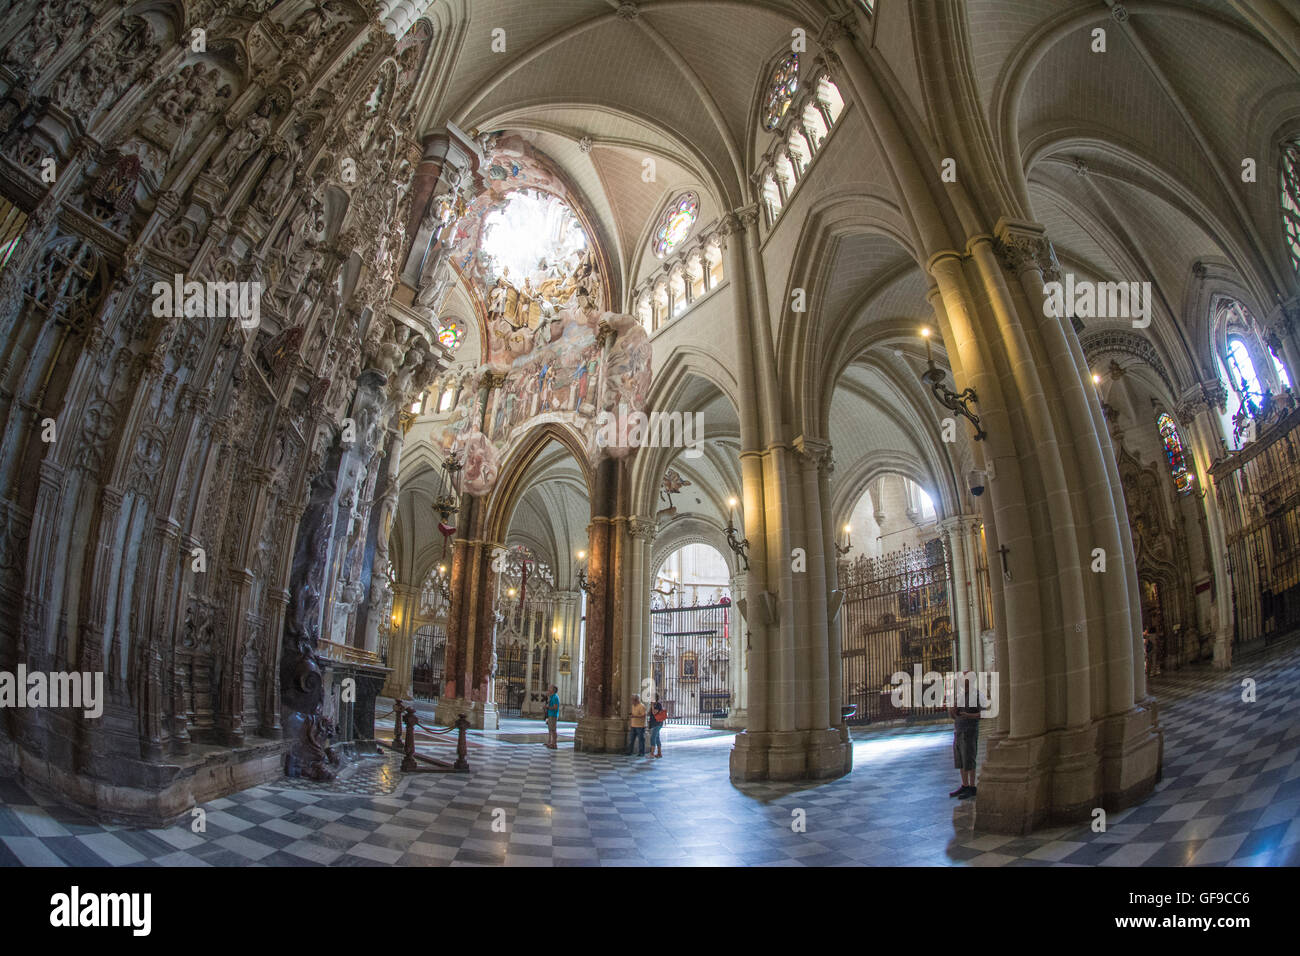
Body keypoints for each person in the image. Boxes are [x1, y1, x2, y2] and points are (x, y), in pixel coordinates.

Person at [949, 672, 981, 800]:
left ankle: (972, 787)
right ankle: (964, 785)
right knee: (960, 759)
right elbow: (954, 716)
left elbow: (982, 715)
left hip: (970, 731)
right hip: (958, 730)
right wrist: (952, 711)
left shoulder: (977, 695)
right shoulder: (960, 695)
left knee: (969, 759)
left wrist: (968, 716)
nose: (962, 681)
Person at [545, 684, 560, 749]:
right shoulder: (552, 697)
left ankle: (554, 744)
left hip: (553, 715)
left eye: (550, 688)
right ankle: (550, 742)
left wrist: (547, 707)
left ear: (553, 690)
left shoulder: (555, 697)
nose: (548, 689)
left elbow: (555, 707)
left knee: (553, 730)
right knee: (550, 729)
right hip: (550, 714)